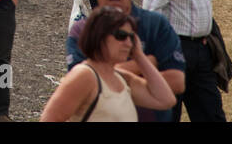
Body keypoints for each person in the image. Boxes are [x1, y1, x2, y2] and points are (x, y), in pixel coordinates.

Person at [66, 0, 186, 121]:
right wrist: (145, 63)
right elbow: (80, 87)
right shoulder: (81, 31)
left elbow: (176, 82)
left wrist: (103, 73)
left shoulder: (155, 25)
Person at [40, 6, 178, 122]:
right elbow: (49, 118)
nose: (128, 43)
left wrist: (139, 55)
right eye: (121, 35)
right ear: (100, 36)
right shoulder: (85, 75)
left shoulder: (120, 78)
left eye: (131, 37)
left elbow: (166, 100)